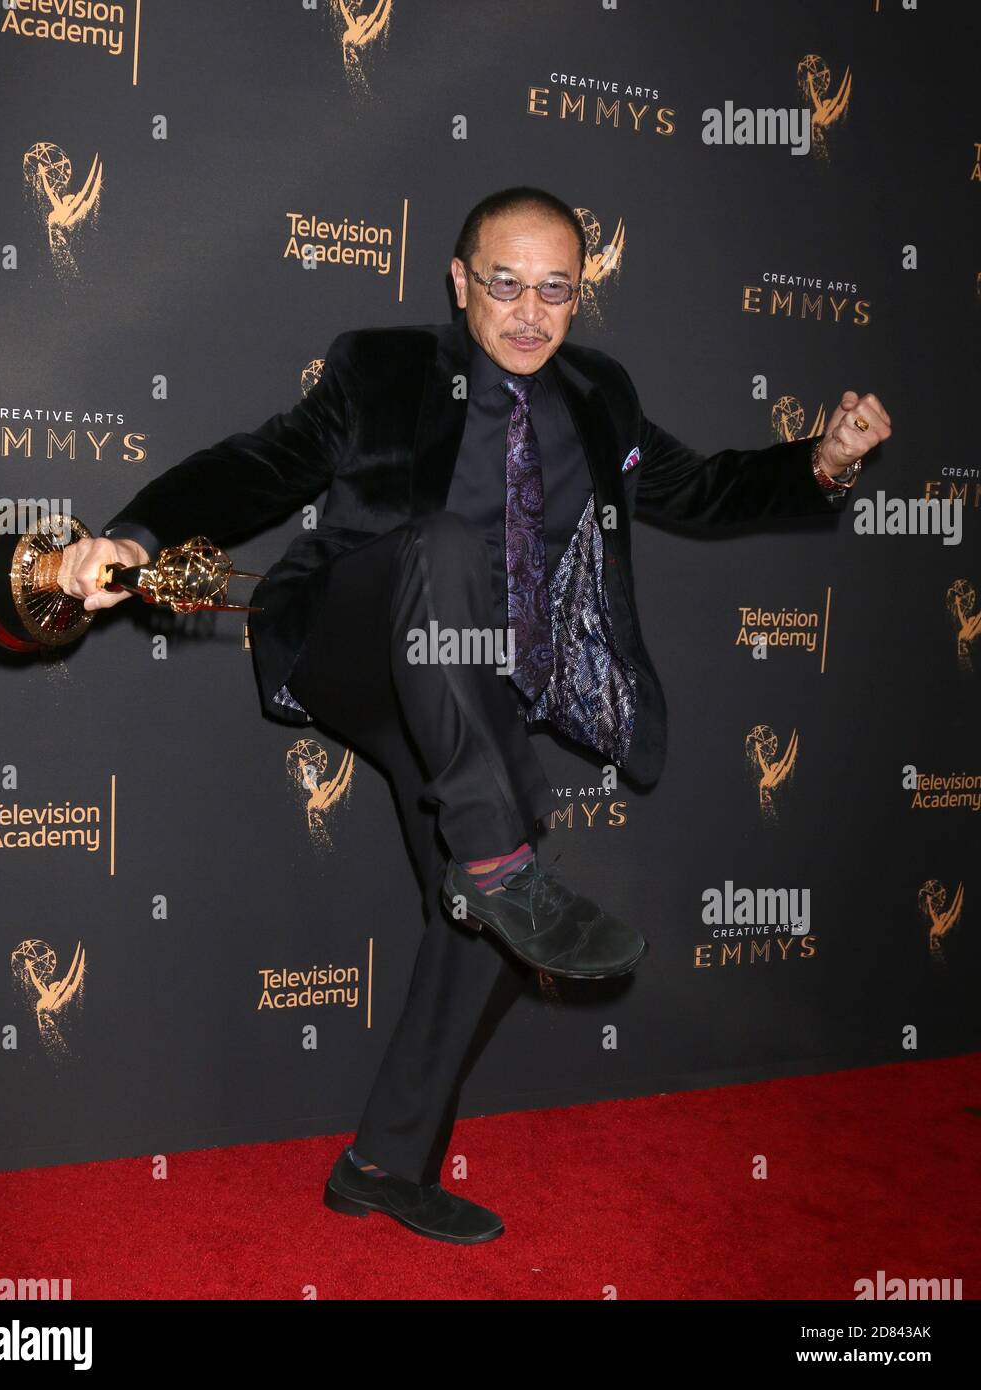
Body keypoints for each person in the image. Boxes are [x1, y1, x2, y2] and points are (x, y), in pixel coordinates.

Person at [56, 185, 892, 1245]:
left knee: (489, 926)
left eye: (556, 290)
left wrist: (821, 461)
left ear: (579, 294)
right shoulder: (382, 370)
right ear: (460, 282)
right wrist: (135, 535)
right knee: (448, 557)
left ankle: (383, 1163)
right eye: (506, 284)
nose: (531, 313)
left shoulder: (601, 398)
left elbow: (705, 490)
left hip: (467, 688)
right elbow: (254, 466)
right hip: (356, 636)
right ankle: (499, 861)